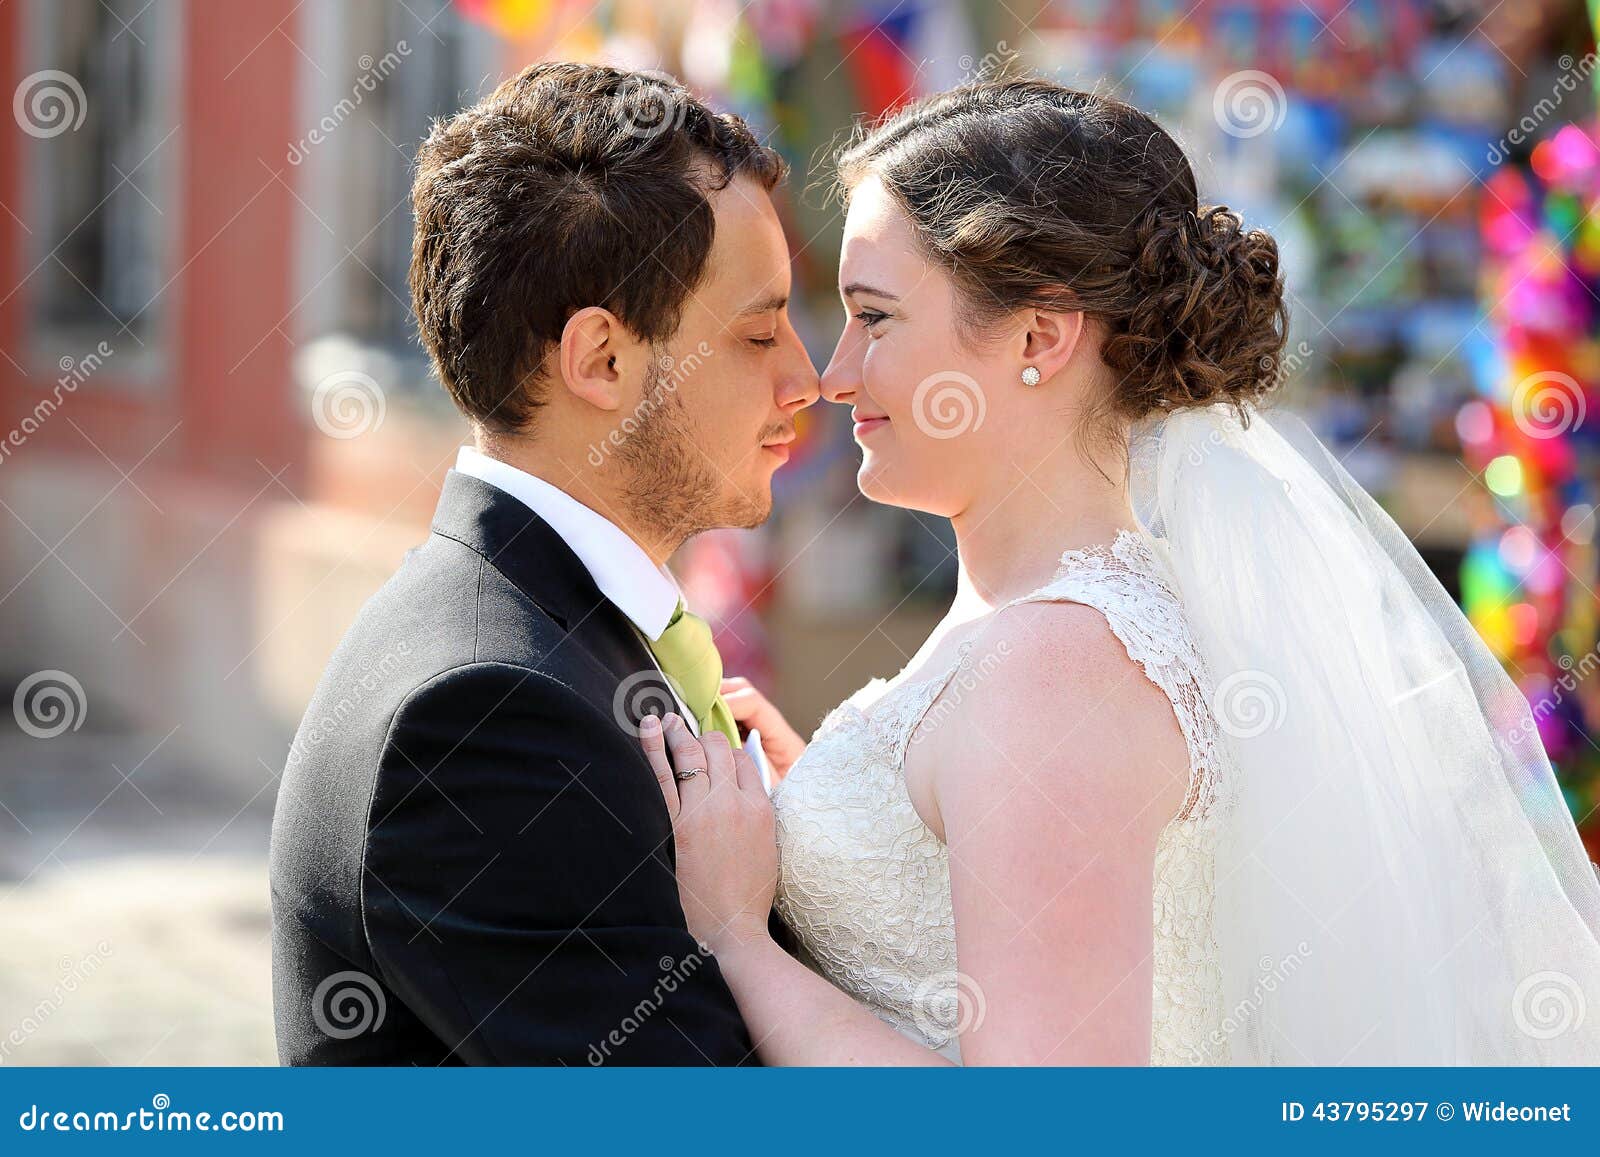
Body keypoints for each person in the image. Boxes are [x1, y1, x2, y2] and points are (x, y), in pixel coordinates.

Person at [642, 77, 1600, 1065]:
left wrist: (737, 940)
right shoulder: (1064, 631)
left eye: (875, 318)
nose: (834, 376)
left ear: (1038, 335)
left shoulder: (1052, 667)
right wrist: (837, 793)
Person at [269, 62, 818, 1064]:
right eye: (758, 332)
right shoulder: (484, 716)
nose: (806, 379)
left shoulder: (559, 637)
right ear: (602, 359)